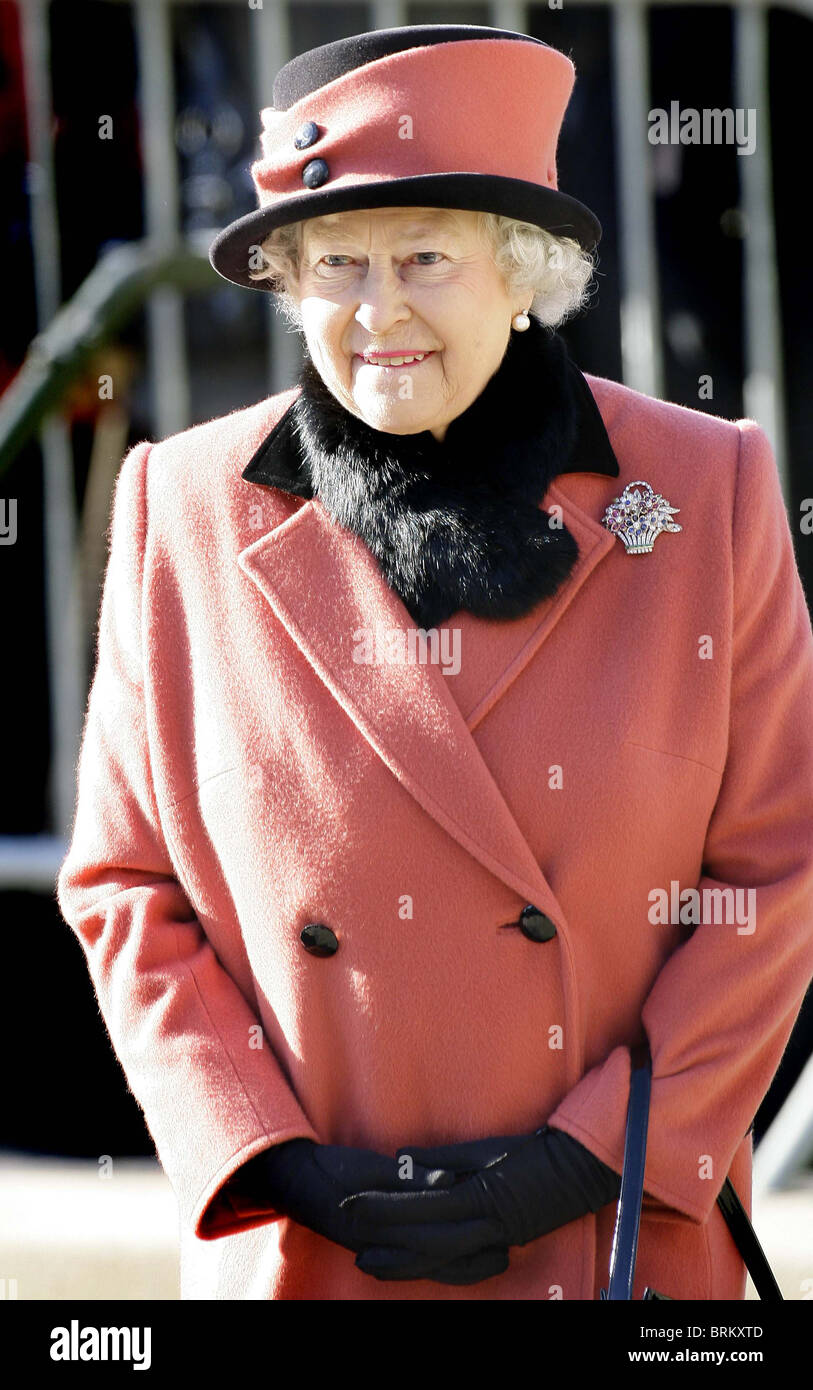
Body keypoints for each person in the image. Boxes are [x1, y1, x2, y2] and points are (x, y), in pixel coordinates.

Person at [56, 23, 813, 1301]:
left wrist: (581, 1163)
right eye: (335, 260)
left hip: (609, 1248)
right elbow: (128, 886)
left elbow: (779, 870)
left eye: (424, 257)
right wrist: (269, 1161)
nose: (377, 308)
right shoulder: (176, 507)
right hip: (314, 1260)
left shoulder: (700, 492)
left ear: (520, 274)